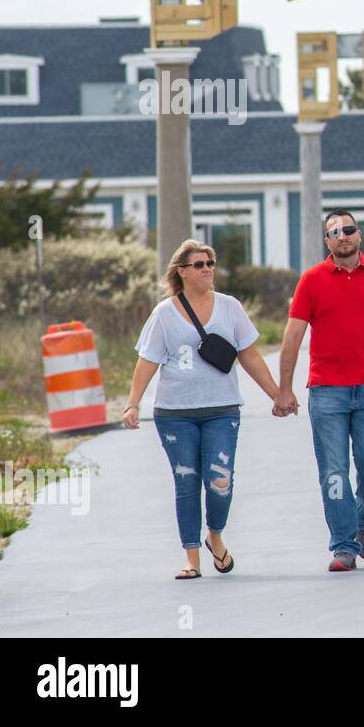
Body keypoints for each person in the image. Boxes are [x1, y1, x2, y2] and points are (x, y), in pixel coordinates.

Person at [122, 239, 284, 580]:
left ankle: (216, 535)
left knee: (220, 481)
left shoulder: (230, 307)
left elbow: (250, 354)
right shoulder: (163, 313)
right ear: (182, 272)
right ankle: (191, 559)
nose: (208, 268)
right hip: (175, 413)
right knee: (187, 482)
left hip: (222, 409)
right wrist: (133, 403)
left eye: (210, 262)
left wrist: (277, 394)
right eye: (199, 264)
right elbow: (147, 361)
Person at [276, 210, 364, 573]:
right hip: (326, 391)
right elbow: (293, 336)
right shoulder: (312, 280)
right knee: (333, 471)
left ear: (359, 235)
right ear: (327, 242)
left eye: (348, 229)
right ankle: (343, 546)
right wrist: (284, 389)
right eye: (335, 232)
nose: (342, 235)